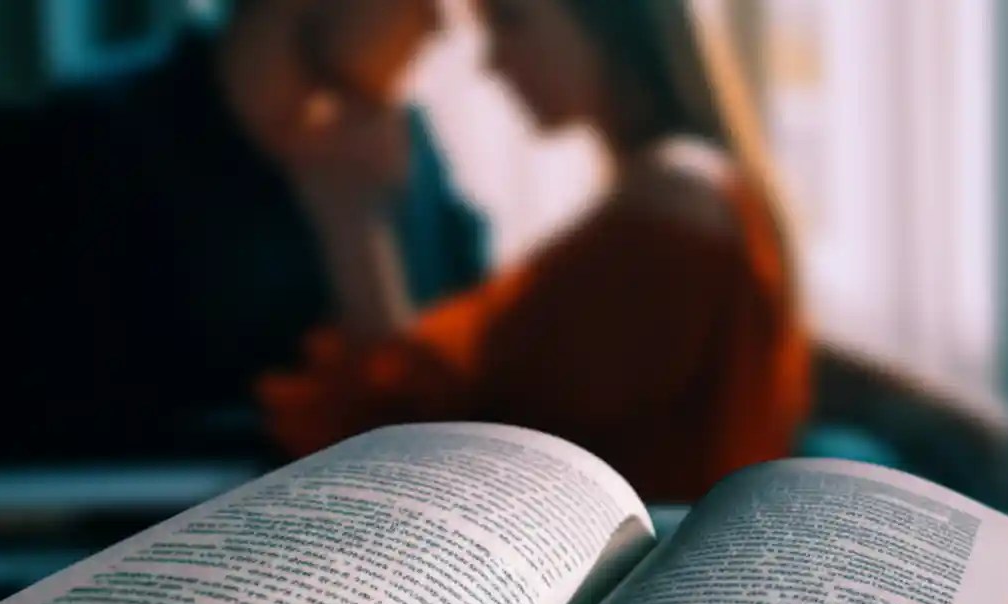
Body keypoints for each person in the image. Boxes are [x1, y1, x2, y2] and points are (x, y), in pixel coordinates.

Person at [259, 0, 810, 501]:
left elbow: (433, 430)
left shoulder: (670, 209)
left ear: (608, 24)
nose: (492, 62)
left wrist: (354, 220)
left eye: (511, 21)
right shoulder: (690, 191)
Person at [0, 0, 486, 465]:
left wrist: (363, 243)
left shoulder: (408, 158)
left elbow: (459, 417)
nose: (439, 24)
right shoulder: (86, 144)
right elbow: (45, 434)